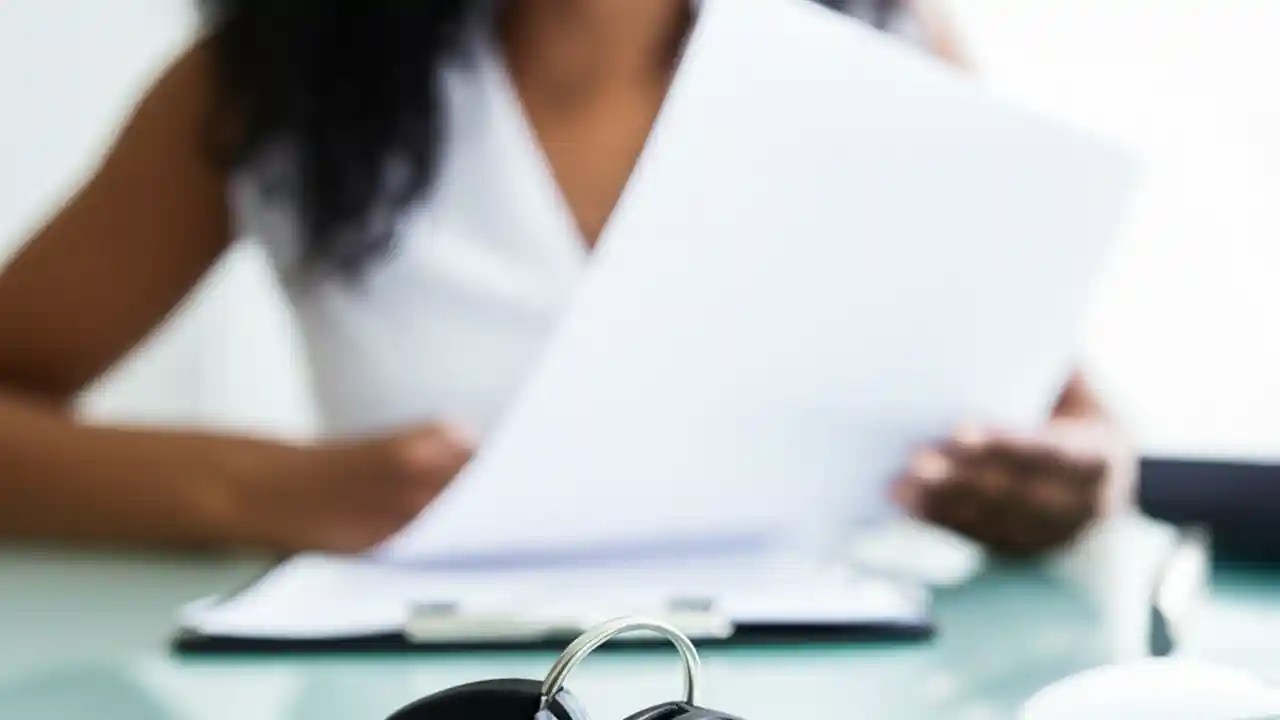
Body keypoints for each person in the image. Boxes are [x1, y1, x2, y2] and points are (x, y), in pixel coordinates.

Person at [0, 0, 1133, 556]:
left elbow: (1069, 419)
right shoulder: (270, 85)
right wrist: (278, 494)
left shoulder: (878, 52)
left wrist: (1071, 484)